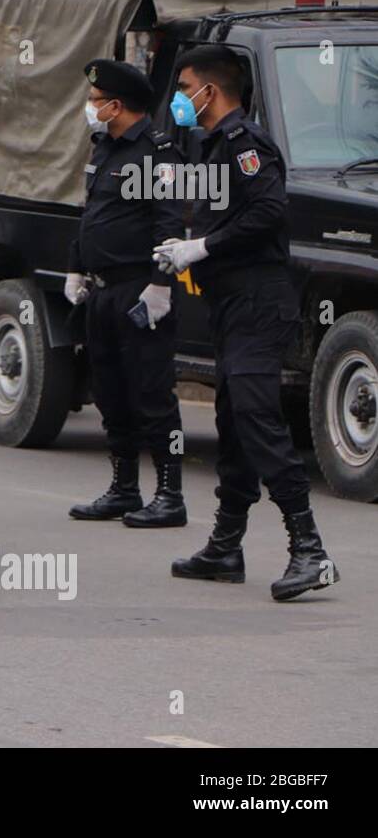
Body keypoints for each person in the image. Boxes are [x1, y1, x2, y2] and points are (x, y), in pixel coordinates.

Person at [154, 44, 337, 601]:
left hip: (260, 301)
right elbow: (227, 210)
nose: (181, 100)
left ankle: (310, 549)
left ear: (213, 90)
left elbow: (267, 212)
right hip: (232, 304)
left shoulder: (245, 143)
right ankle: (226, 545)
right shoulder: (213, 146)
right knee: (234, 418)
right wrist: (184, 239)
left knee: (256, 416)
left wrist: (202, 247)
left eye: (186, 89)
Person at [65, 59, 187, 528]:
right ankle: (124, 487)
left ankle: (170, 493)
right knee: (111, 392)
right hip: (103, 291)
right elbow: (91, 214)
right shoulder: (103, 148)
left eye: (95, 102)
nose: (90, 109)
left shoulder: (160, 155)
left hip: (141, 288)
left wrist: (161, 285)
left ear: (116, 106)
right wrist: (76, 269)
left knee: (153, 395)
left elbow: (170, 224)